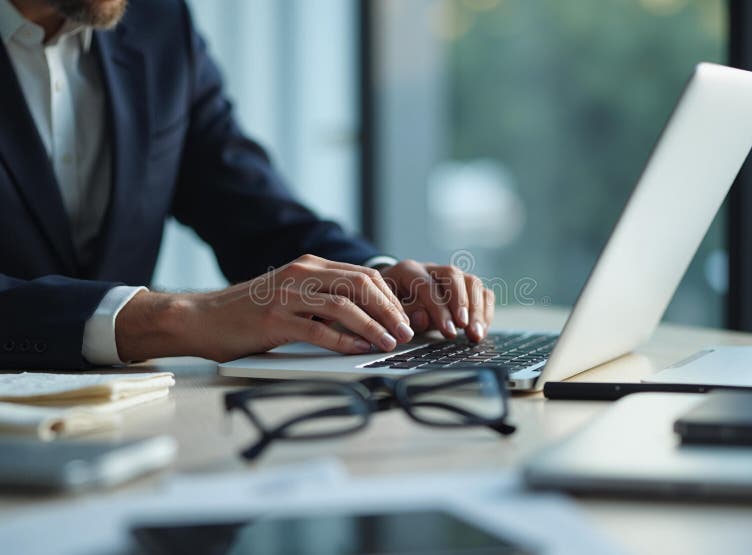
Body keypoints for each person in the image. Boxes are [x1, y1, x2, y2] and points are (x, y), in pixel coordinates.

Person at [0, 0, 495, 370]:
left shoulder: (156, 22)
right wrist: (171, 317)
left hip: (133, 418)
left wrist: (373, 282)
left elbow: (250, 210)